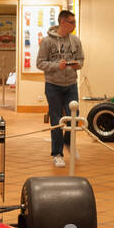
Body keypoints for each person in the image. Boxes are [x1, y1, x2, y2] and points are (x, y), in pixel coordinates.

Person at [36, 10, 84, 167]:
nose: (74, 25)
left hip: (71, 84)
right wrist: (58, 66)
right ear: (63, 22)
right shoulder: (47, 42)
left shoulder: (75, 40)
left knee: (73, 117)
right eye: (72, 22)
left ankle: (69, 143)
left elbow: (81, 60)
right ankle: (57, 153)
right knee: (56, 120)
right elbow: (40, 63)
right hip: (53, 86)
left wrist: (77, 65)